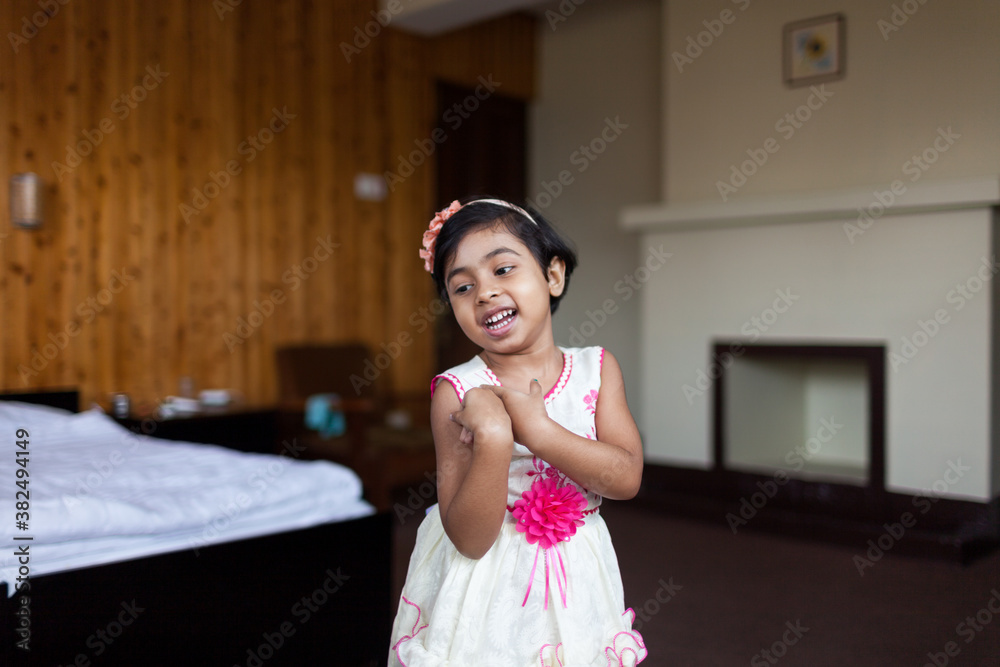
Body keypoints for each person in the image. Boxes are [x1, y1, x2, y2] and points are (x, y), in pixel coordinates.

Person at [389, 197, 647, 666]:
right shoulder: (457, 392)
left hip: (577, 578)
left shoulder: (598, 369)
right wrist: (492, 437)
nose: (484, 293)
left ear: (553, 275)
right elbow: (469, 539)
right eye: (462, 287)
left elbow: (626, 478)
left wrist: (538, 430)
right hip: (485, 586)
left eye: (502, 270)